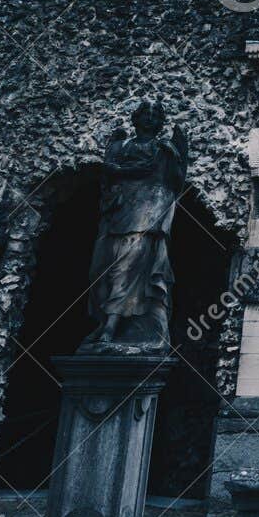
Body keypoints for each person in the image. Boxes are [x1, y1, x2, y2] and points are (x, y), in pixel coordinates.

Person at [85, 102, 188, 351]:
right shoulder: (121, 146)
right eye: (146, 114)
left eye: (155, 116)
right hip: (118, 211)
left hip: (148, 212)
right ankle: (102, 321)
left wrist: (175, 156)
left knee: (126, 269)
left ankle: (111, 327)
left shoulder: (163, 148)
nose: (150, 119)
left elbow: (176, 182)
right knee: (99, 270)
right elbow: (107, 176)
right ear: (136, 118)